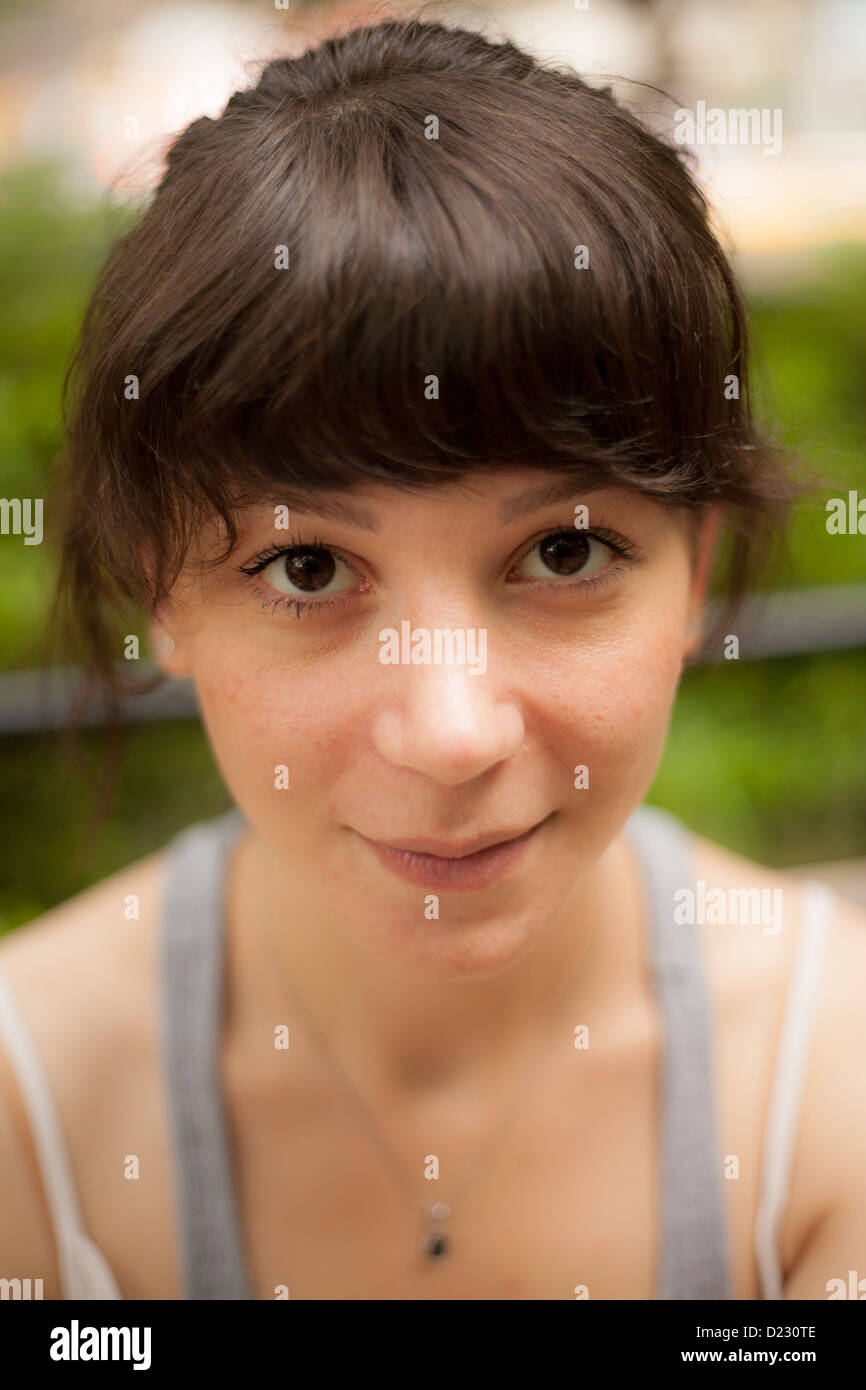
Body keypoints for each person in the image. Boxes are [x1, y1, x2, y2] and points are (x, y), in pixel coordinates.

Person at [1, 15, 864, 1302]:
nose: (453, 732)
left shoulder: (827, 1091)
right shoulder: (31, 1120)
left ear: (693, 568)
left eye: (564, 554)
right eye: (306, 568)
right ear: (156, 592)